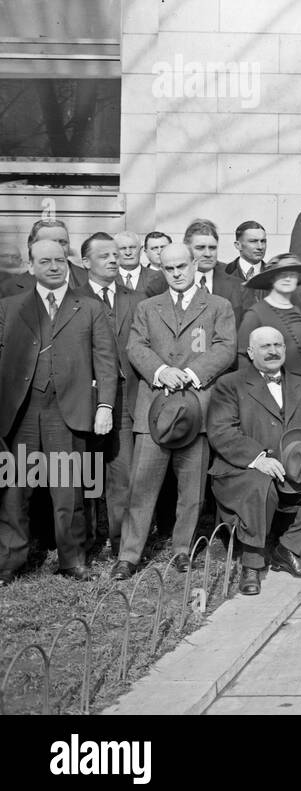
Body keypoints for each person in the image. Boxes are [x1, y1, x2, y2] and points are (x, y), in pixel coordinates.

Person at [113, 242, 237, 580]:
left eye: (182, 266)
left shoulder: (218, 306)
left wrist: (193, 373)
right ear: (162, 270)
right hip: (154, 407)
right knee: (141, 485)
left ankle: (183, 549)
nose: (177, 273)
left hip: (197, 407)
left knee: (192, 488)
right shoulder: (148, 307)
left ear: (195, 264)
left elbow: (226, 348)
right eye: (169, 268)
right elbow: (135, 346)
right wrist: (161, 371)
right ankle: (129, 555)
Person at [0, 240, 116, 584]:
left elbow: (106, 362)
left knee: (69, 490)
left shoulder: (90, 307)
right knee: (15, 489)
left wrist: (105, 406)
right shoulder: (10, 307)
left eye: (59, 261)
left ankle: (72, 559)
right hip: (20, 412)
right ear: (31, 266)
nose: (53, 267)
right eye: (44, 261)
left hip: (68, 412)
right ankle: (9, 559)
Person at [207, 326, 301, 595]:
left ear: (284, 349)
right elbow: (222, 431)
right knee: (260, 486)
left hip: (294, 469)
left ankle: (288, 549)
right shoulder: (230, 384)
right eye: (265, 347)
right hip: (244, 469)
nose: (273, 351)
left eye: (277, 345)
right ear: (251, 353)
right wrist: (257, 458)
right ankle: (252, 564)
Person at [77, 234, 143, 556]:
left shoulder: (137, 299)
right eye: (104, 256)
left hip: (126, 397)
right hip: (85, 399)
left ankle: (121, 542)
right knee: (87, 472)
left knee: (123, 472)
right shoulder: (73, 300)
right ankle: (86, 541)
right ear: (85, 262)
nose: (114, 260)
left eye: (115, 254)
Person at [238, 254, 301, 377]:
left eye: (292, 274)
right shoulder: (256, 314)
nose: (287, 279)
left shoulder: (296, 310)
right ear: (271, 278)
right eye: (282, 274)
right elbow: (243, 357)